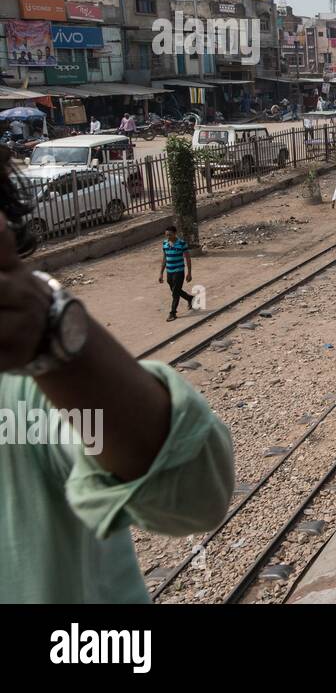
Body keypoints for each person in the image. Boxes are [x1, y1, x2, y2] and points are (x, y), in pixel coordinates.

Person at [0, 149, 235, 602]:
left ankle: (178, 305)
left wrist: (52, 339)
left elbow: (193, 496)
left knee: (179, 295)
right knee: (176, 296)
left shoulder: (26, 389)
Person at [158, 225, 195, 321]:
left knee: (175, 293)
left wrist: (189, 273)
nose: (168, 237)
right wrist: (161, 273)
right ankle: (189, 298)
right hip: (169, 272)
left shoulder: (182, 243)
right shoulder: (165, 243)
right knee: (175, 290)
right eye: (166, 235)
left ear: (175, 233)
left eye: (170, 235)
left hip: (179, 272)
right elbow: (164, 258)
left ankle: (173, 313)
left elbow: (187, 258)